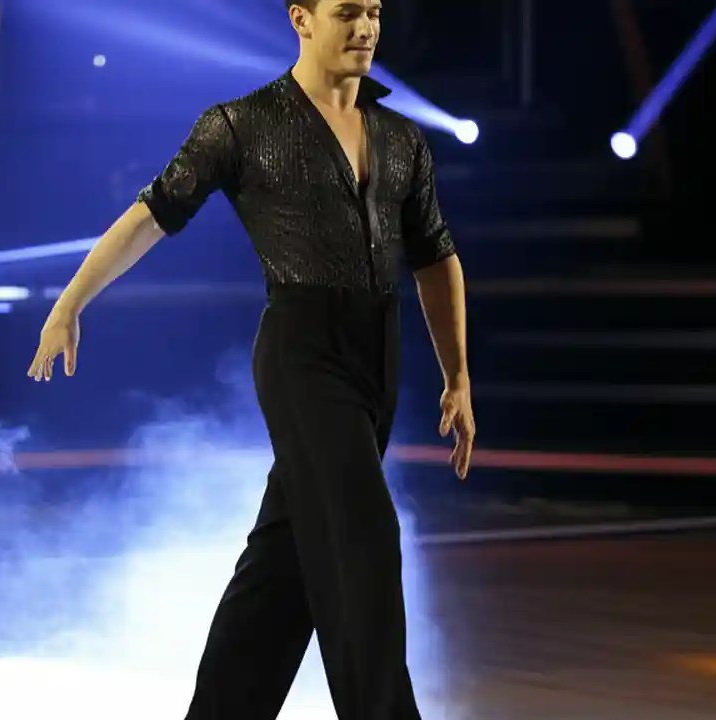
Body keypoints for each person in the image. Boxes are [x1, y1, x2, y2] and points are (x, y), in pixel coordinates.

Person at [27, 1, 475, 717]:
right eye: (347, 12)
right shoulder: (240, 123)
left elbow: (436, 257)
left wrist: (458, 376)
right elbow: (153, 213)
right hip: (301, 350)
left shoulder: (401, 140)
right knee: (362, 531)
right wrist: (69, 302)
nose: (365, 28)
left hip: (377, 355)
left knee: (285, 563)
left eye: (376, 13)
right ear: (301, 18)